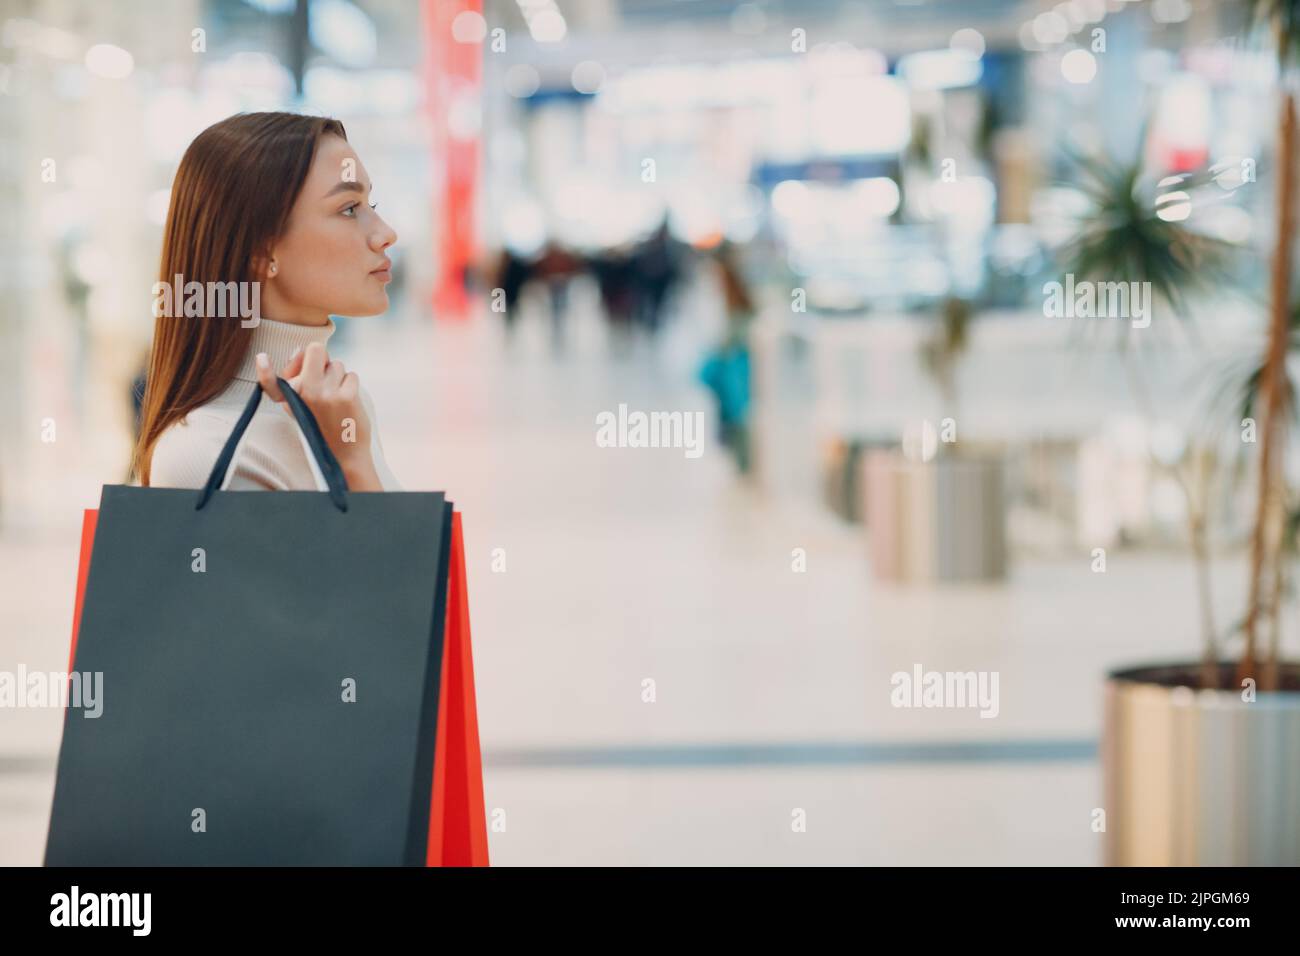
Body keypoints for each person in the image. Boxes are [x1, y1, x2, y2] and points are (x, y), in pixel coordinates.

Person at [130, 112, 402, 491]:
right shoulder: (203, 452)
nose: (386, 233)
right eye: (349, 208)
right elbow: (384, 551)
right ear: (260, 251)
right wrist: (350, 463)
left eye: (371, 204)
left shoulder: (337, 404)